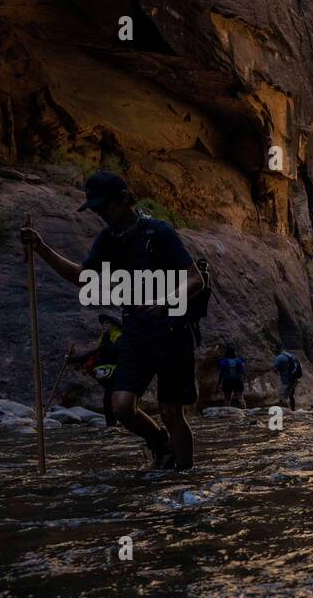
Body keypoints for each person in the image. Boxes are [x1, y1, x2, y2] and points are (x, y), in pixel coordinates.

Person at [19, 171, 205, 468]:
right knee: (121, 406)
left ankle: (184, 478)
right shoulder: (107, 240)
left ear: (124, 199)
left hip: (172, 330)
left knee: (171, 411)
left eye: (105, 206)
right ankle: (160, 444)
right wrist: (42, 249)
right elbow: (83, 277)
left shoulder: (160, 232)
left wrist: (164, 302)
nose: (101, 214)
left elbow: (195, 279)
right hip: (135, 330)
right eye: (95, 208)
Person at [67, 313, 124, 426]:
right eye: (103, 323)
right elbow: (93, 353)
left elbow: (116, 353)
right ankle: (112, 425)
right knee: (108, 399)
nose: (103, 325)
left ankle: (116, 424)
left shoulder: (121, 338)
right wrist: (73, 360)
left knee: (111, 399)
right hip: (107, 375)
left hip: (119, 374)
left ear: (114, 325)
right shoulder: (104, 338)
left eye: (107, 323)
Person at [273, 345, 303, 411]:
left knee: (282, 396)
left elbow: (275, 369)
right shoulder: (292, 356)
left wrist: (278, 371)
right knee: (291, 395)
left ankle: (287, 411)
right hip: (294, 378)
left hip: (286, 379)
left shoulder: (278, 358)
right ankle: (293, 409)